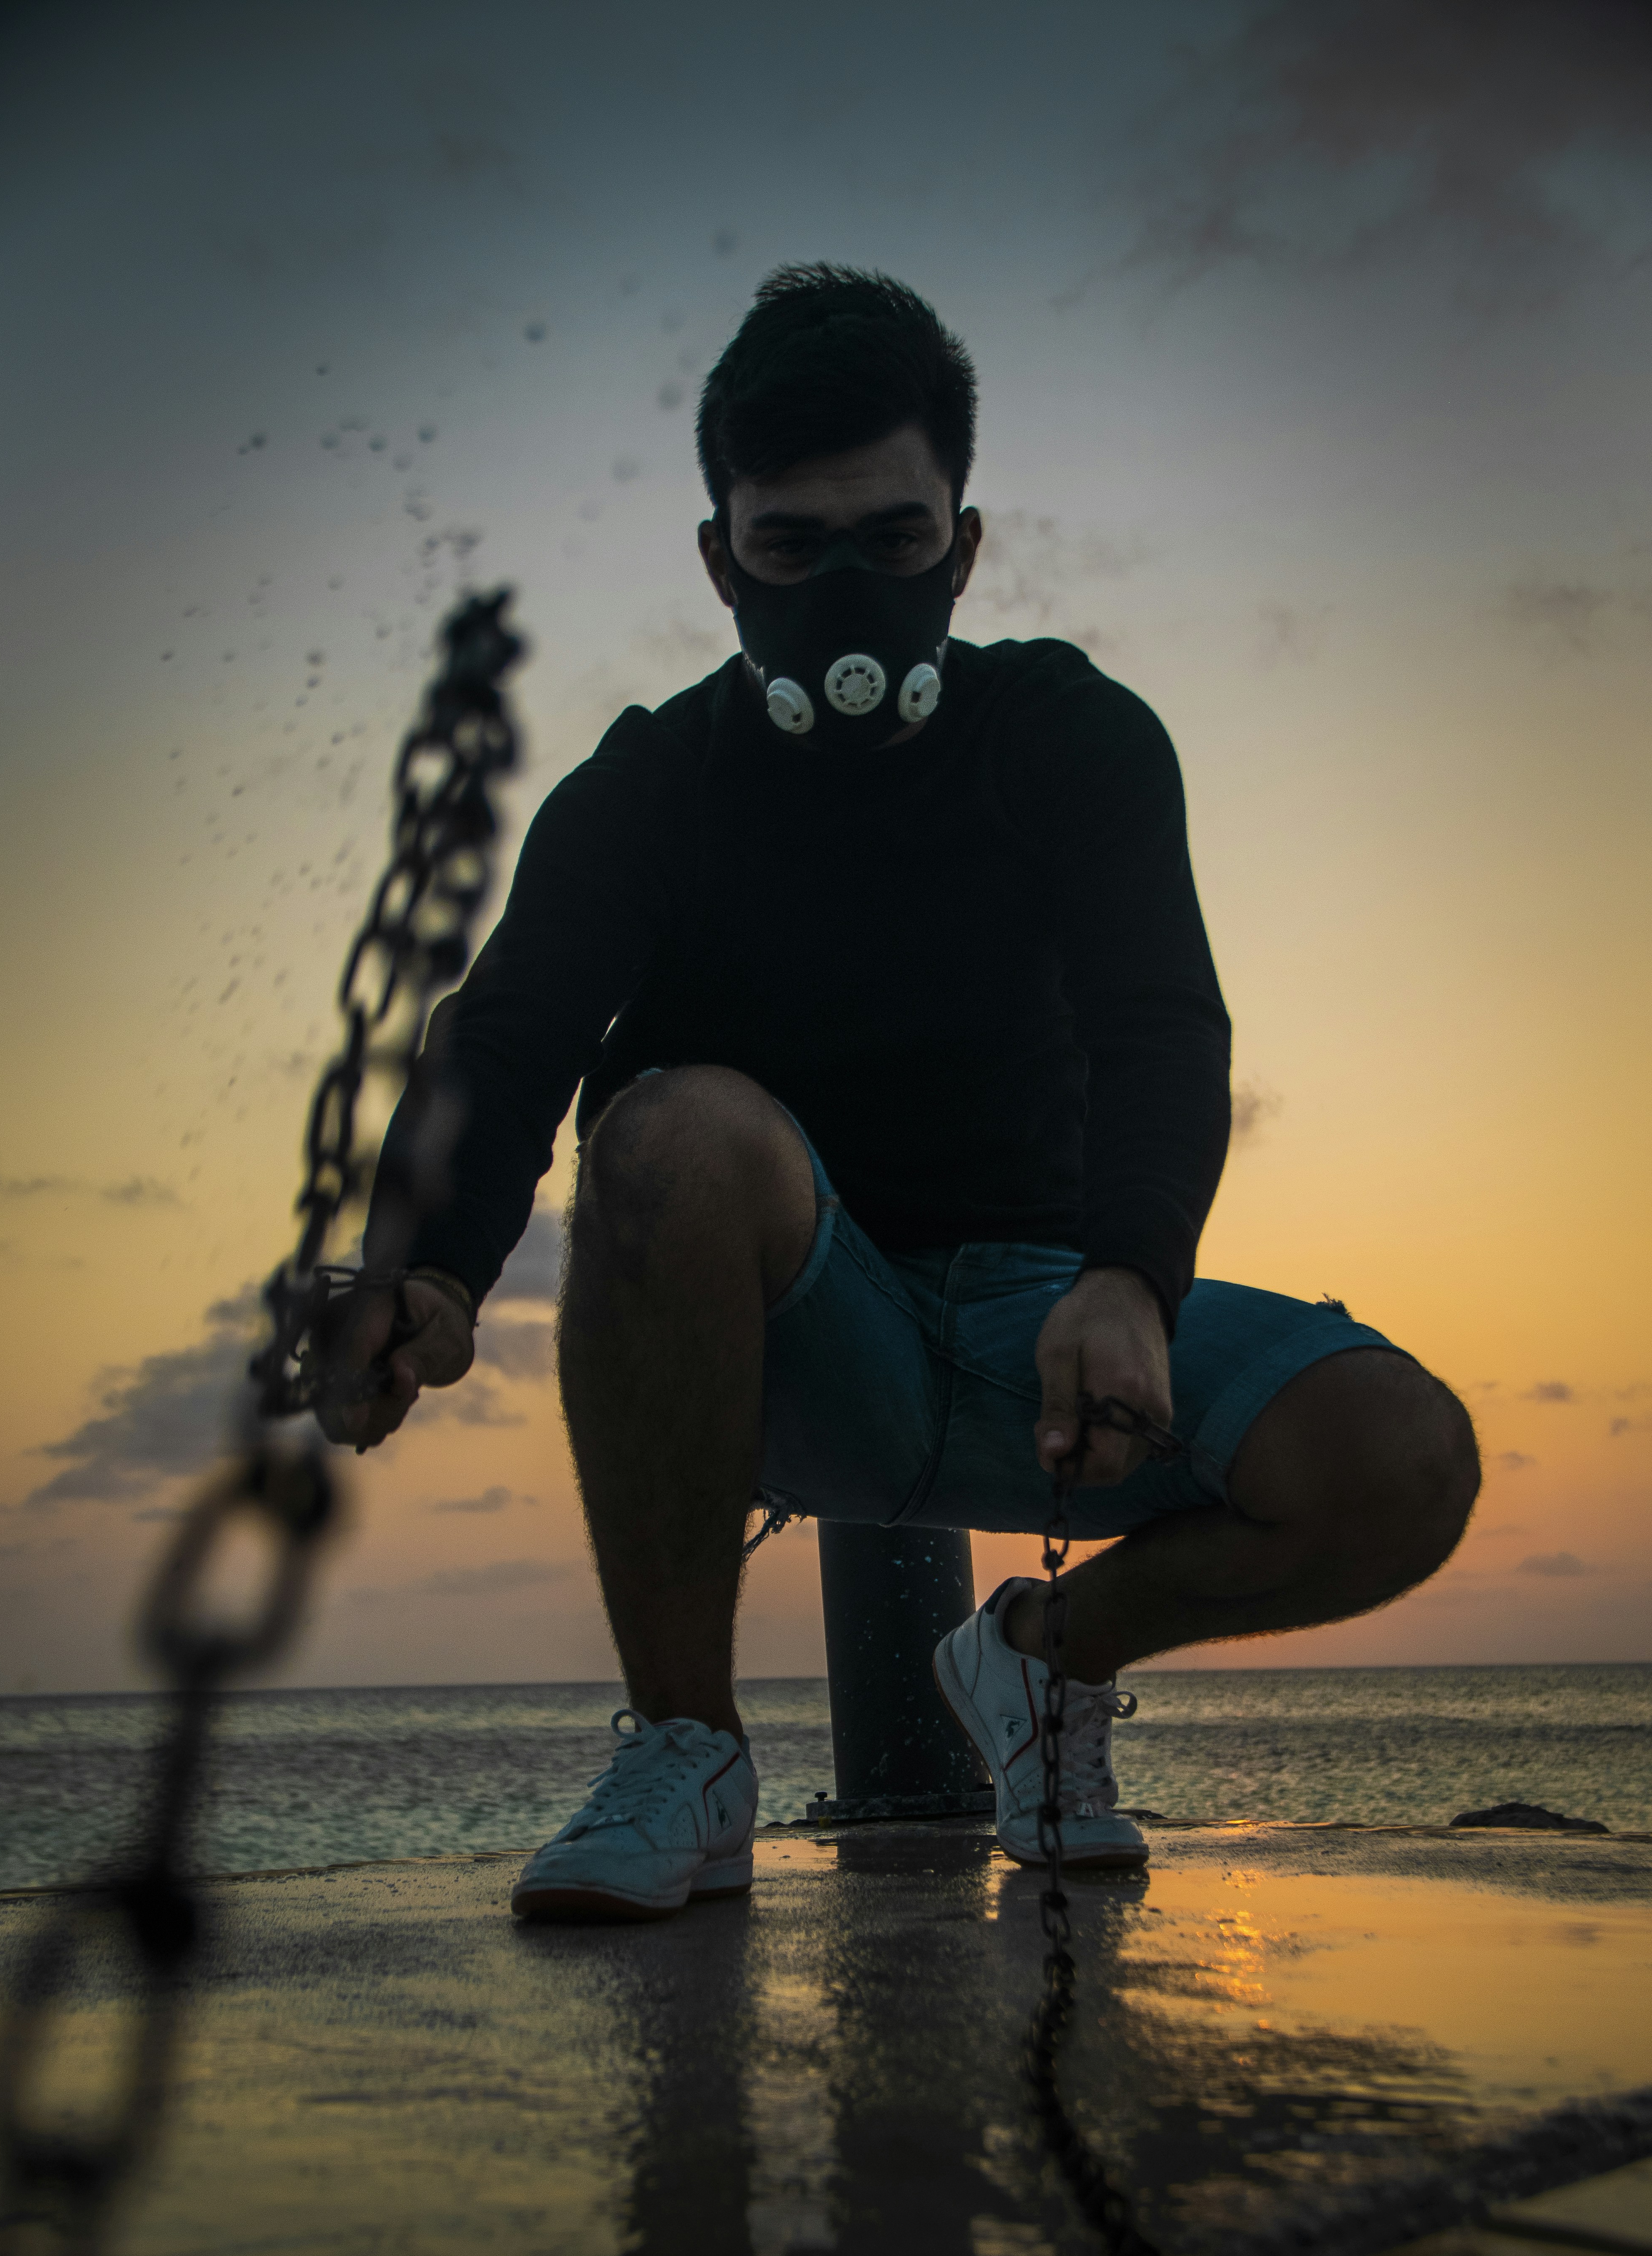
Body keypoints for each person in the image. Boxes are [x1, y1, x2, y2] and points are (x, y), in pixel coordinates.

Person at [323, 264, 1479, 1921]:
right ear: (722, 562)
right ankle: (685, 1751)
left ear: (967, 543)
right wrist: (426, 1270)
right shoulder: (649, 784)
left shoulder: (1069, 734)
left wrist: (1128, 1276)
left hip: (1050, 1337)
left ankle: (1036, 1666)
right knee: (671, 1126)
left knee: (1405, 1460)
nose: (849, 590)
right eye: (795, 548)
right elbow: (504, 1037)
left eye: (897, 538)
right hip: (799, 1345)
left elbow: (1164, 1019)